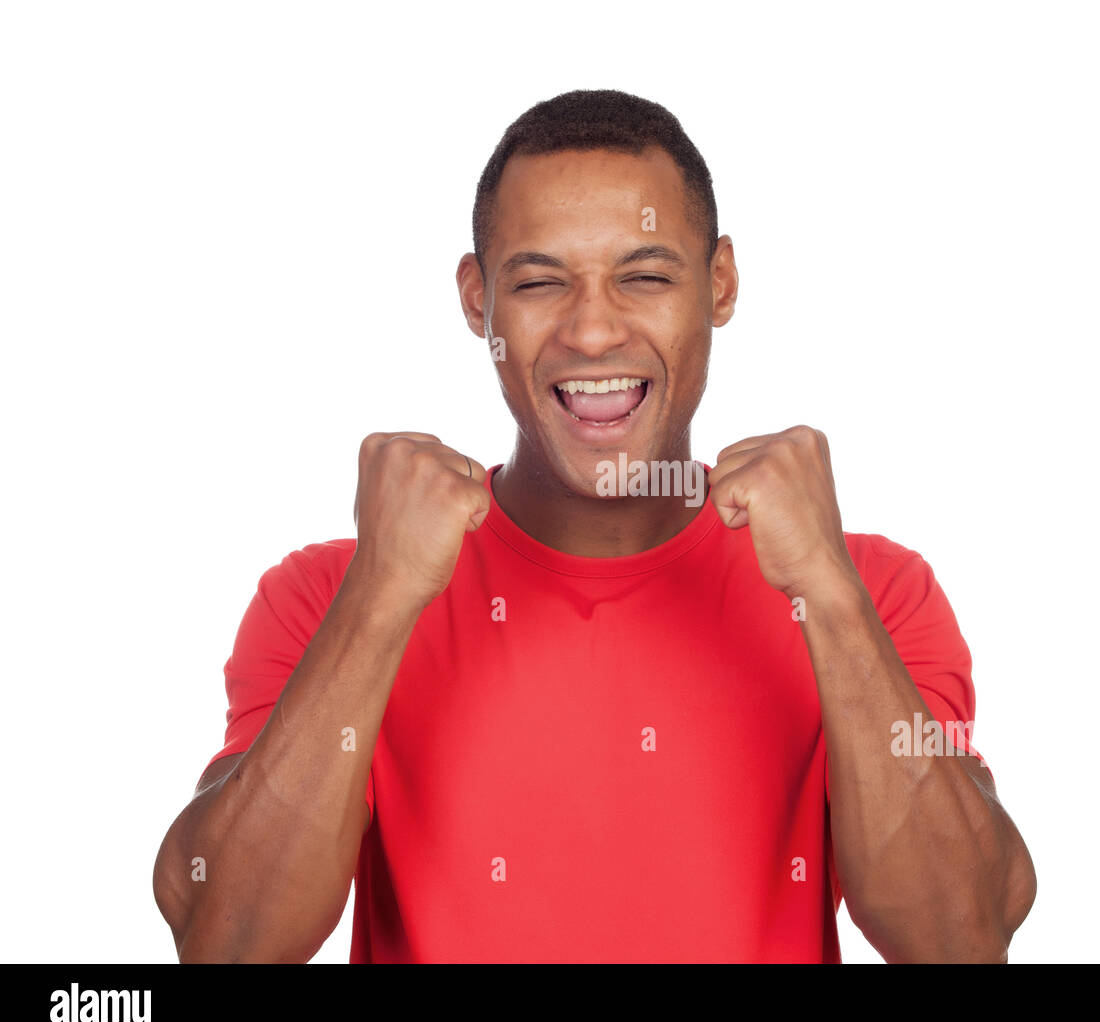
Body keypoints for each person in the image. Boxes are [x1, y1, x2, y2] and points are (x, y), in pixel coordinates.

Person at [152, 89, 1036, 963]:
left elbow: (964, 935)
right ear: (477, 301)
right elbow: (226, 942)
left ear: (720, 284)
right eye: (539, 283)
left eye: (644, 276)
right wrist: (379, 600)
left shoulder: (874, 592)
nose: (592, 329)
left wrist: (833, 599)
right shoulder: (327, 596)